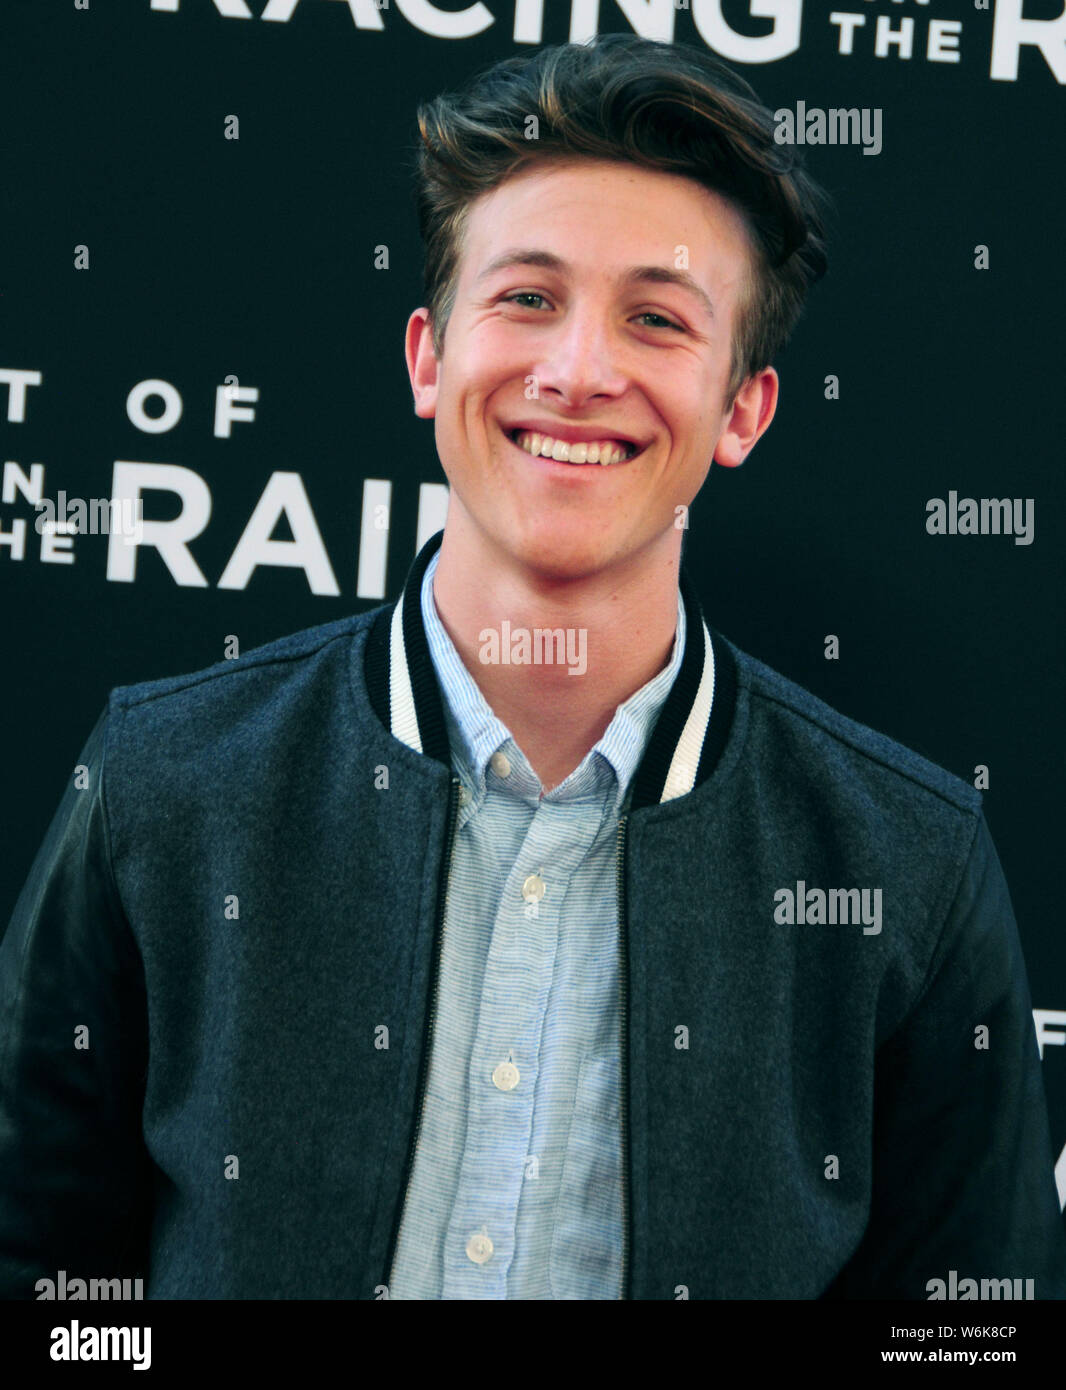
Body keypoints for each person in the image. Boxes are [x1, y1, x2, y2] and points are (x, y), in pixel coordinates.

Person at [1, 34, 1063, 1301]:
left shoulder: (909, 870)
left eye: (656, 319)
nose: (577, 373)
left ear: (742, 409)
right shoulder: (164, 781)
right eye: (526, 298)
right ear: (427, 356)